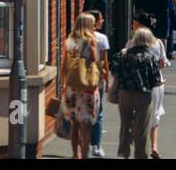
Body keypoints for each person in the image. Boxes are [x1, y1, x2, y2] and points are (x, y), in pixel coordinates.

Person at [114, 23, 163, 159]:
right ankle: (140, 155)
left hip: (125, 93)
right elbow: (155, 80)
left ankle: (125, 153)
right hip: (143, 95)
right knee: (142, 128)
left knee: (126, 124)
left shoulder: (124, 54)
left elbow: (115, 70)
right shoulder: (150, 57)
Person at [59, 12, 101, 159]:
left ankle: (74, 154)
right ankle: (84, 155)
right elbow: (95, 59)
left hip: (72, 86)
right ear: (89, 25)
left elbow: (64, 65)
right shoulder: (90, 40)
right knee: (86, 123)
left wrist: (64, 83)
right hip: (86, 87)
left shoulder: (69, 41)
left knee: (75, 123)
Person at [145, 23, 170, 158]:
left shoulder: (132, 43)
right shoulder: (158, 43)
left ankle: (140, 146)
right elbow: (162, 63)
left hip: (139, 83)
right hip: (156, 82)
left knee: (139, 116)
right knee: (155, 115)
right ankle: (154, 146)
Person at [88, 9, 110, 157]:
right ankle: (96, 145)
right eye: (100, 19)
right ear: (94, 21)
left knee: (81, 113)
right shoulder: (102, 38)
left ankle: (81, 146)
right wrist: (107, 81)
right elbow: (105, 62)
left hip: (80, 80)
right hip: (96, 80)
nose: (102, 21)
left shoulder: (76, 37)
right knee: (98, 112)